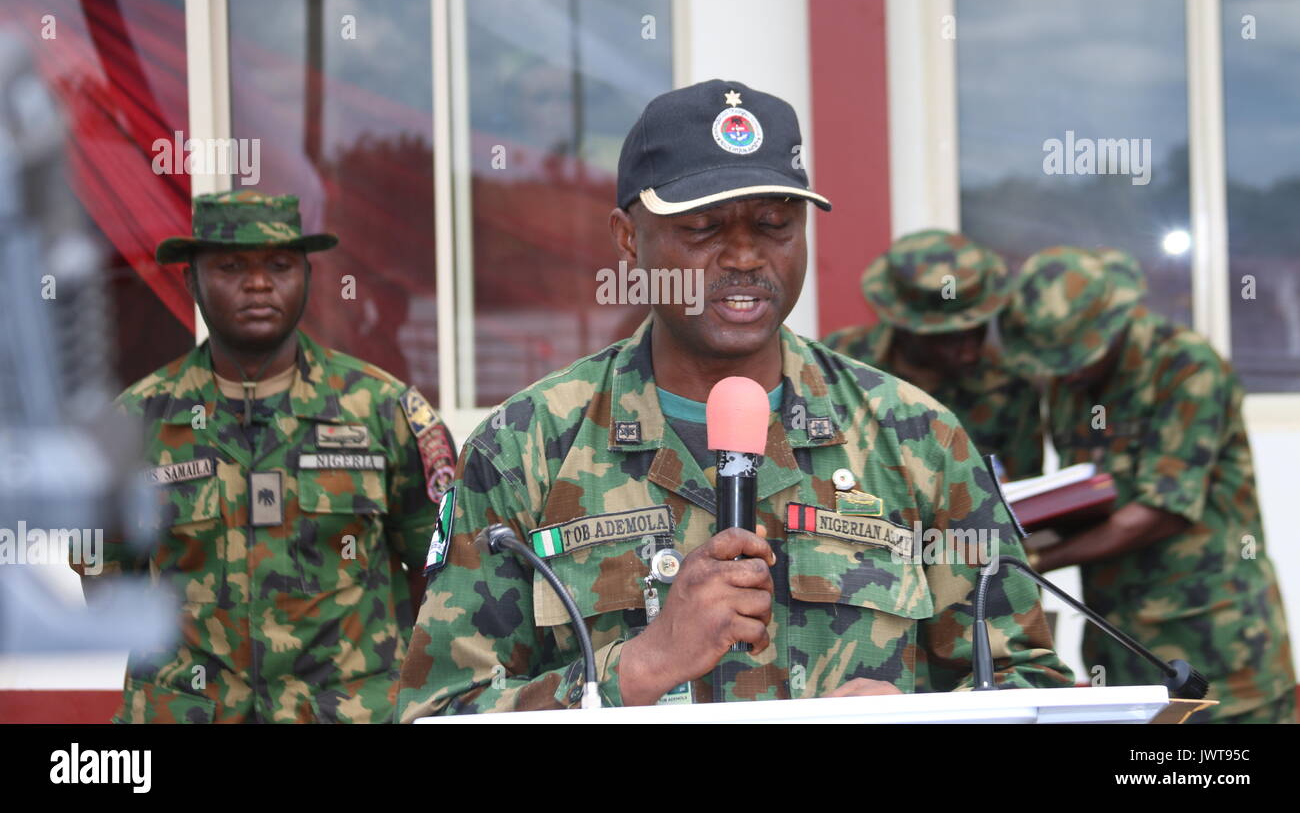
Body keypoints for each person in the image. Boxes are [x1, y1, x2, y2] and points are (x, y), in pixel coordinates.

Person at [398, 80, 1071, 716]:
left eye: (775, 223)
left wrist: (915, 721)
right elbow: (441, 710)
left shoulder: (916, 437)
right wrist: (633, 669)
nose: (745, 256)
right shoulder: (526, 447)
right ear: (629, 239)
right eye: (704, 229)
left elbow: (1027, 680)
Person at [77, 191, 456, 723]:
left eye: (279, 265)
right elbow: (107, 585)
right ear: (191, 281)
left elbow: (437, 575)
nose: (258, 284)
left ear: (306, 274)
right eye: (232, 266)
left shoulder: (382, 412)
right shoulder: (134, 425)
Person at [1001, 246, 1296, 723]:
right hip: (1122, 645)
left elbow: (1161, 511)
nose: (1067, 371)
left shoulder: (1185, 365)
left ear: (1115, 322)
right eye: (1054, 361)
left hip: (1215, 643)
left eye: (1079, 356)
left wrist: (1035, 562)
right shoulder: (1068, 383)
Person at [822, 230, 1042, 480]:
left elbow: (1028, 499)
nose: (970, 353)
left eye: (978, 329)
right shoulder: (840, 365)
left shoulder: (1010, 388)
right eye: (949, 338)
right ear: (906, 328)